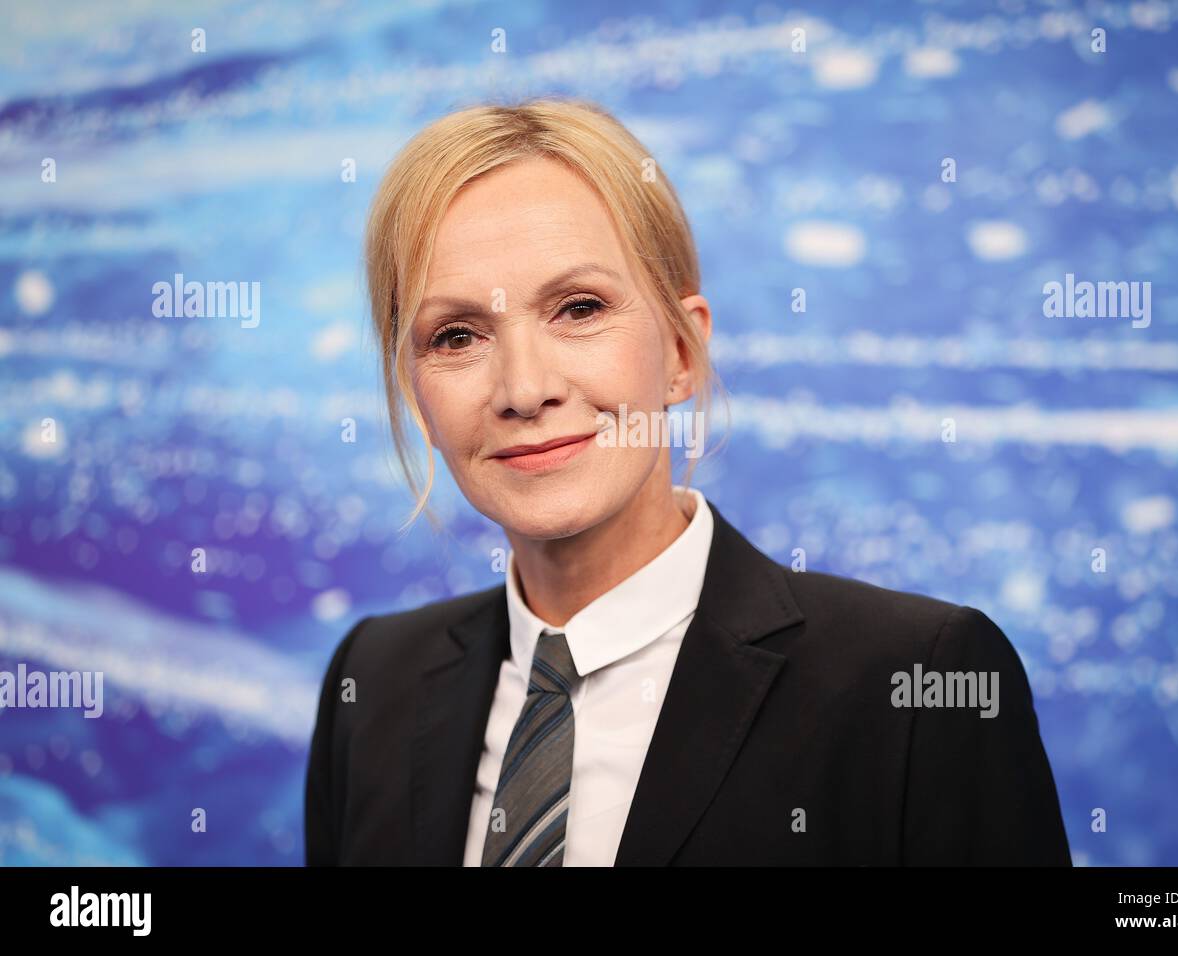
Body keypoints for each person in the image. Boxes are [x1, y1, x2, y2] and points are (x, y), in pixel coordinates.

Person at [304, 96, 1072, 866]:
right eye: (457, 336)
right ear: (415, 396)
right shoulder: (372, 684)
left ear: (681, 352)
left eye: (579, 308)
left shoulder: (918, 679)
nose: (524, 389)